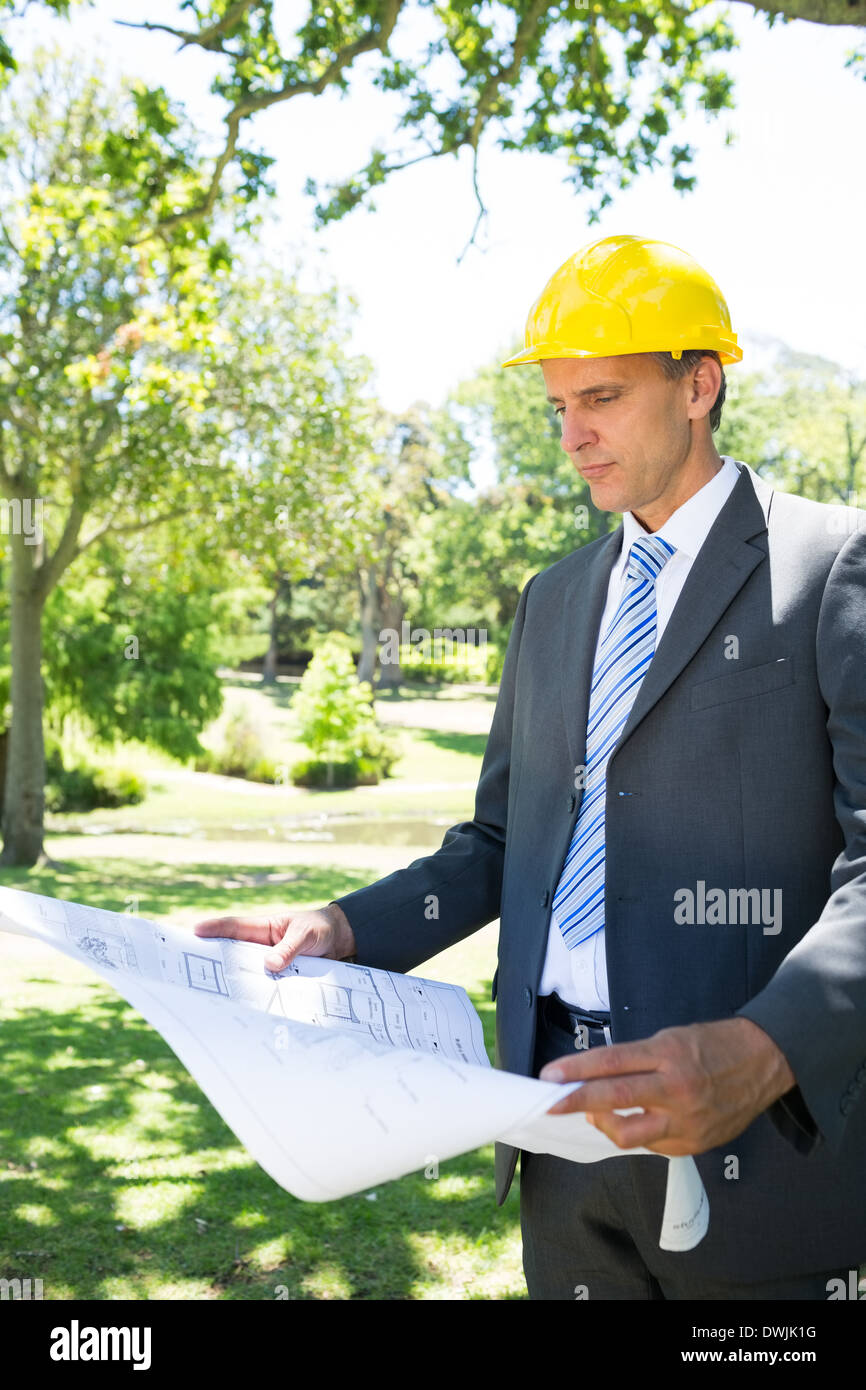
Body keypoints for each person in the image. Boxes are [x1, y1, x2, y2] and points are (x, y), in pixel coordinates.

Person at [195, 235, 866, 1300]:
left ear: (699, 384)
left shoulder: (831, 564)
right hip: (551, 1123)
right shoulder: (552, 599)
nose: (571, 435)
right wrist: (342, 926)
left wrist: (760, 1049)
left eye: (598, 396)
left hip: (762, 1154)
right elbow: (503, 839)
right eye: (556, 406)